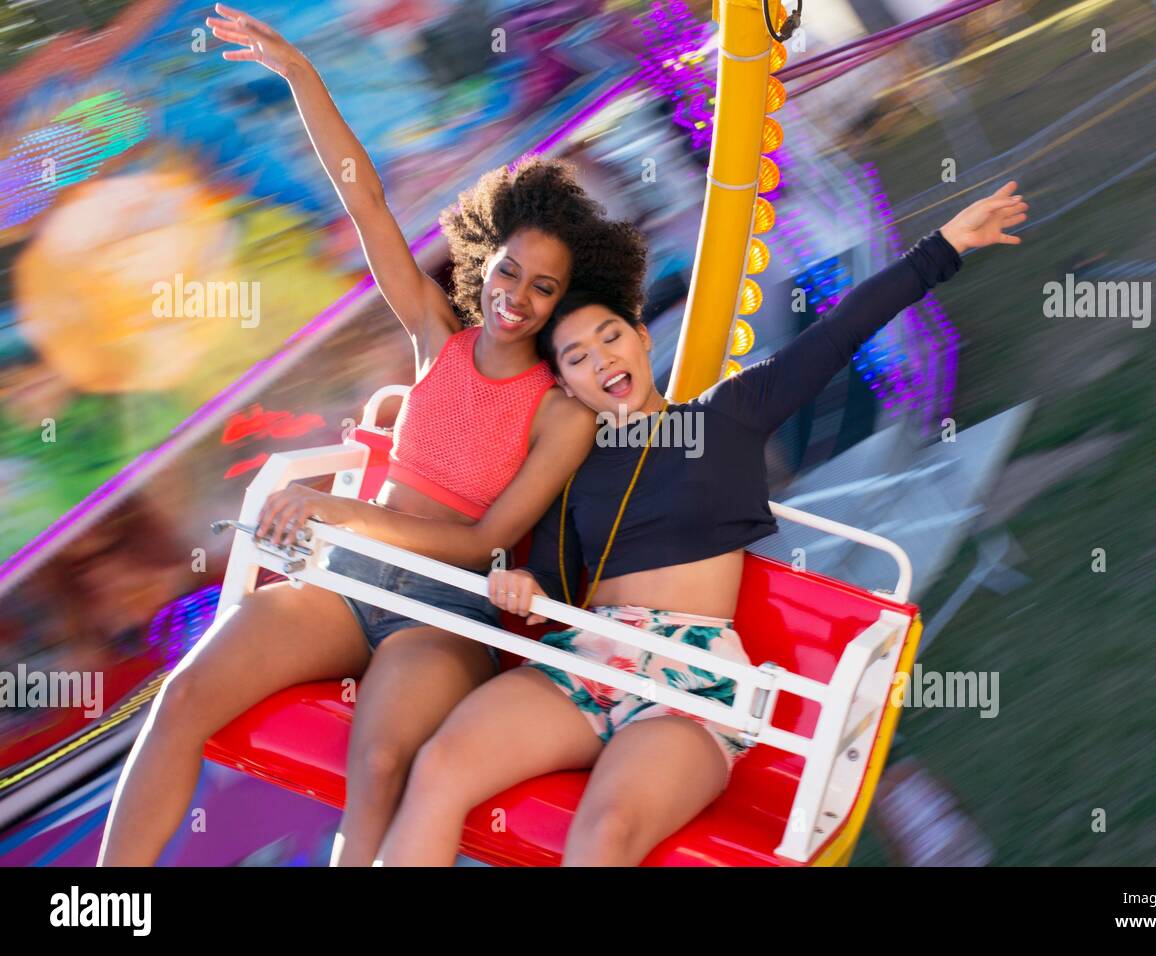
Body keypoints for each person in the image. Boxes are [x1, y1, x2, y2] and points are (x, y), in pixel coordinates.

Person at [97, 4, 646, 866]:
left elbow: (483, 540)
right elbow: (361, 191)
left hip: (446, 610)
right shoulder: (436, 332)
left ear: (564, 302)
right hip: (351, 580)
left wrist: (341, 514)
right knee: (185, 695)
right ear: (485, 259)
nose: (518, 296)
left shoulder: (561, 409)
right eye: (510, 270)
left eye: (544, 288)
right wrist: (299, 73)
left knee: (381, 760)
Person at [372, 182, 1029, 866]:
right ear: (565, 386)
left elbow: (838, 334)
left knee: (607, 833)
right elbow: (548, 575)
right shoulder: (567, 465)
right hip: (589, 656)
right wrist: (526, 587)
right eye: (576, 357)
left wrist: (944, 247)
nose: (602, 360)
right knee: (441, 765)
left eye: (610, 337)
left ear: (640, 338)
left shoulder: (725, 417)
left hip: (691, 678)